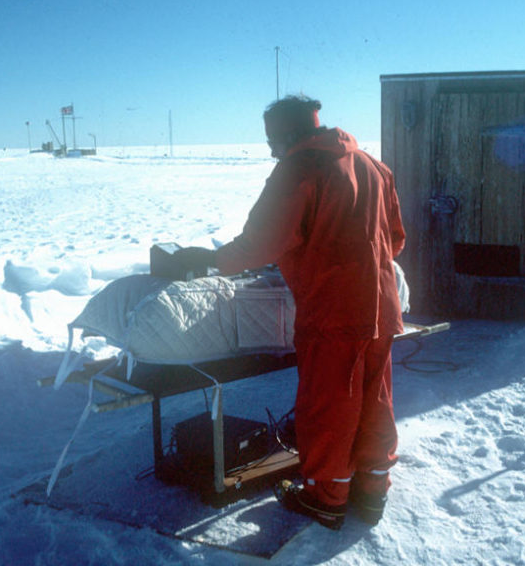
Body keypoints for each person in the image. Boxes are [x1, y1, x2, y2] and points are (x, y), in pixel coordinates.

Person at [170, 94, 405, 529]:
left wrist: (210, 262)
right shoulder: (373, 165)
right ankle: (372, 491)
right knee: (375, 399)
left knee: (330, 405)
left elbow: (262, 241)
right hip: (382, 306)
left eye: (272, 140)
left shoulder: (298, 169)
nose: (271, 150)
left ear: (287, 132)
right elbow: (396, 238)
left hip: (333, 312)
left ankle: (327, 497)